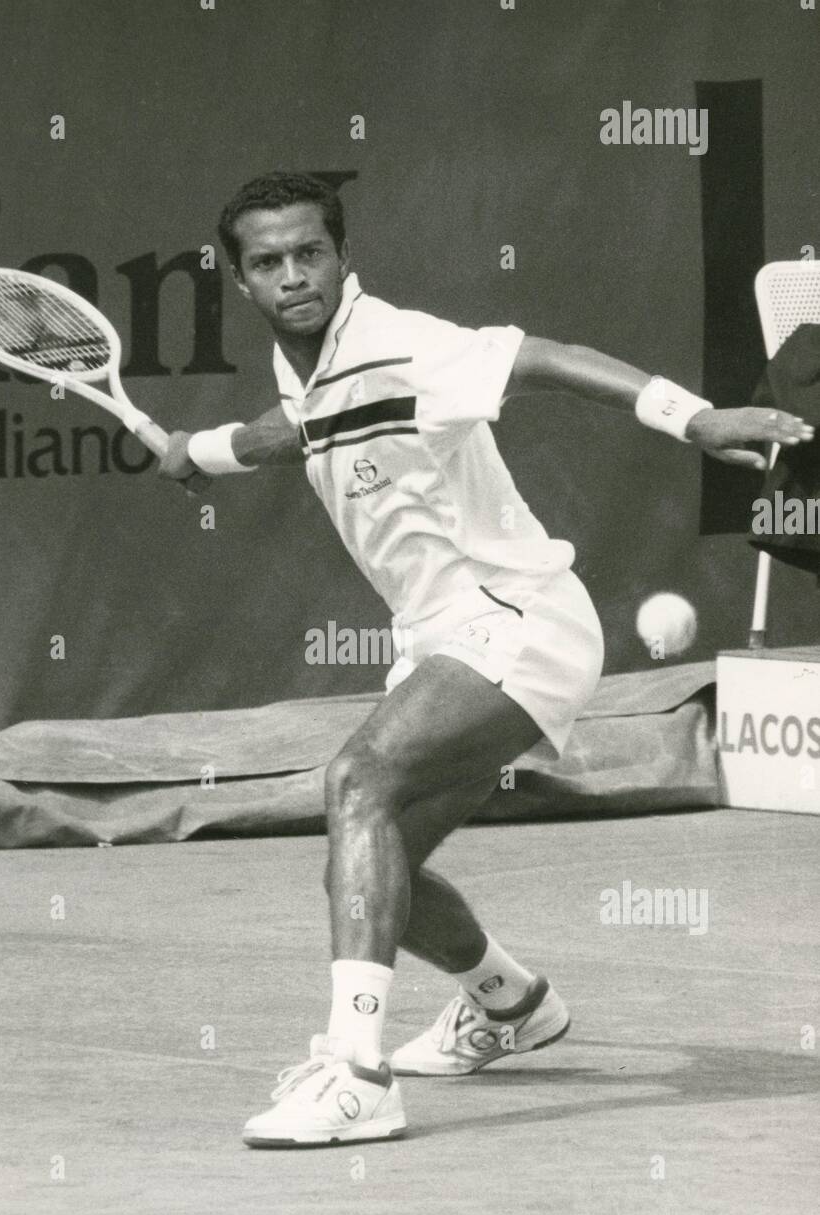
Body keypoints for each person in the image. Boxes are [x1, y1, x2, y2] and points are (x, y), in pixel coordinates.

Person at [160, 172, 813, 1148]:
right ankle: (510, 1005)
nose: (294, 275)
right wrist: (195, 452)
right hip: (440, 636)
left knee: (358, 778)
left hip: (519, 619)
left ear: (343, 260)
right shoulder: (307, 365)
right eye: (269, 261)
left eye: (311, 253)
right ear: (240, 280)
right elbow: (286, 430)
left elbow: (547, 357)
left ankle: (356, 1072)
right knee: (374, 866)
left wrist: (693, 418)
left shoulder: (396, 342)